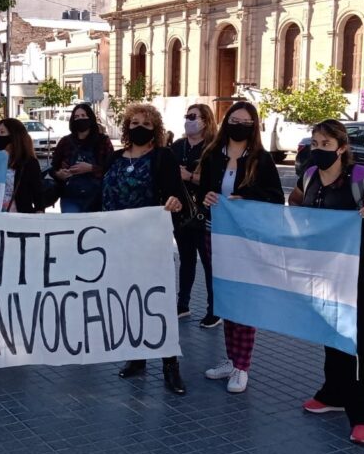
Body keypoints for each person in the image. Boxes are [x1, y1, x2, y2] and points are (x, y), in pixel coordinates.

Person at [287, 119, 364, 446]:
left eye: (326, 144)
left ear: (341, 148)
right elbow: (295, 202)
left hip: (356, 270)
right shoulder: (309, 176)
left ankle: (363, 416)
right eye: (315, 144)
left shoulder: (361, 178)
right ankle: (333, 393)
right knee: (329, 330)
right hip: (321, 268)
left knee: (354, 337)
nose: (319, 150)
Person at [198, 101, 284, 393]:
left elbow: (275, 198)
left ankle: (242, 366)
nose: (239, 125)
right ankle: (231, 359)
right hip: (215, 235)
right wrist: (206, 198)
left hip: (248, 240)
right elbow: (200, 192)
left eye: (245, 121)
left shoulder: (261, 158)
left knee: (245, 301)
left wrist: (246, 198)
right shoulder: (212, 154)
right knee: (225, 299)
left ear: (254, 125)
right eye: (234, 119)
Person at [103, 103, 188, 395]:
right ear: (127, 127)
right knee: (130, 300)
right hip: (118, 241)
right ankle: (137, 357)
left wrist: (174, 202)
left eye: (146, 124)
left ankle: (170, 365)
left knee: (159, 302)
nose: (139, 128)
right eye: (135, 123)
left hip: (151, 240)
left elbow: (176, 194)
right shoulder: (114, 158)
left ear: (155, 131)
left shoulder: (163, 157)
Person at [169, 103, 217, 322]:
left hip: (205, 212)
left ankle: (214, 309)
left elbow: (214, 181)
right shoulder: (178, 146)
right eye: (186, 116)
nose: (188, 120)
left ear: (205, 121)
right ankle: (183, 303)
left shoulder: (213, 148)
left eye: (193, 116)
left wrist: (189, 176)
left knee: (209, 262)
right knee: (186, 258)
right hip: (181, 211)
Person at [51, 103, 113, 213]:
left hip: (97, 198)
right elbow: (53, 167)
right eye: (76, 117)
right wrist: (59, 174)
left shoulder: (103, 141)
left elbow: (112, 168)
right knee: (71, 226)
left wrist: (91, 168)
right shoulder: (65, 142)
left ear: (90, 118)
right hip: (70, 197)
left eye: (83, 116)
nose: (80, 119)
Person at [0, 118, 44, 213]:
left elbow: (37, 189)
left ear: (14, 136)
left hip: (20, 216)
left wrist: (40, 210)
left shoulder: (29, 162)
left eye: (2, 132)